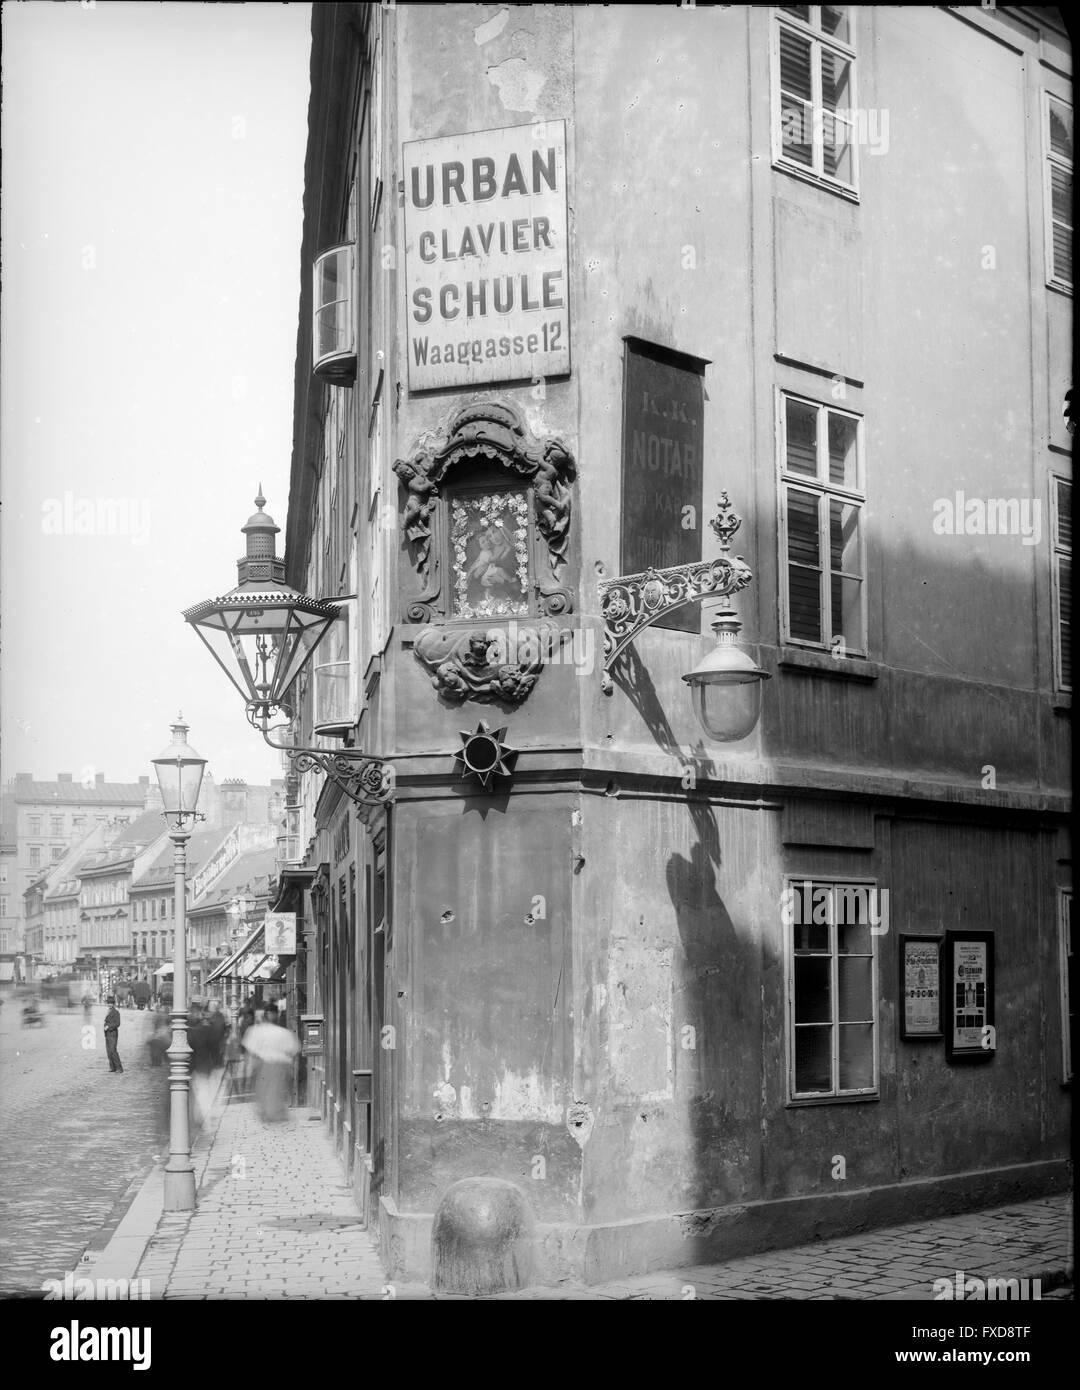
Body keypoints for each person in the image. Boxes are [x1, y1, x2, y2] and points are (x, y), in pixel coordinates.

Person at [242, 1003, 299, 1123]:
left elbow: (250, 1051)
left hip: (265, 1064)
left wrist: (249, 1068)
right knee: (275, 1089)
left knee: (265, 1089)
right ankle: (273, 1112)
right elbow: (293, 1049)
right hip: (279, 1064)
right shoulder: (284, 1032)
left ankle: (269, 1113)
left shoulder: (256, 1031)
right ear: (276, 1015)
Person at [104, 997, 123, 1073]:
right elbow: (106, 1021)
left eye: (111, 1003)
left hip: (113, 1034)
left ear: (113, 1004)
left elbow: (118, 1023)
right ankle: (112, 1067)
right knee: (109, 1051)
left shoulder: (116, 1012)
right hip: (108, 1033)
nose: (109, 1004)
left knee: (113, 1050)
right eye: (108, 1003)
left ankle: (119, 1068)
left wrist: (109, 1026)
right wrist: (105, 1026)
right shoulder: (108, 1011)